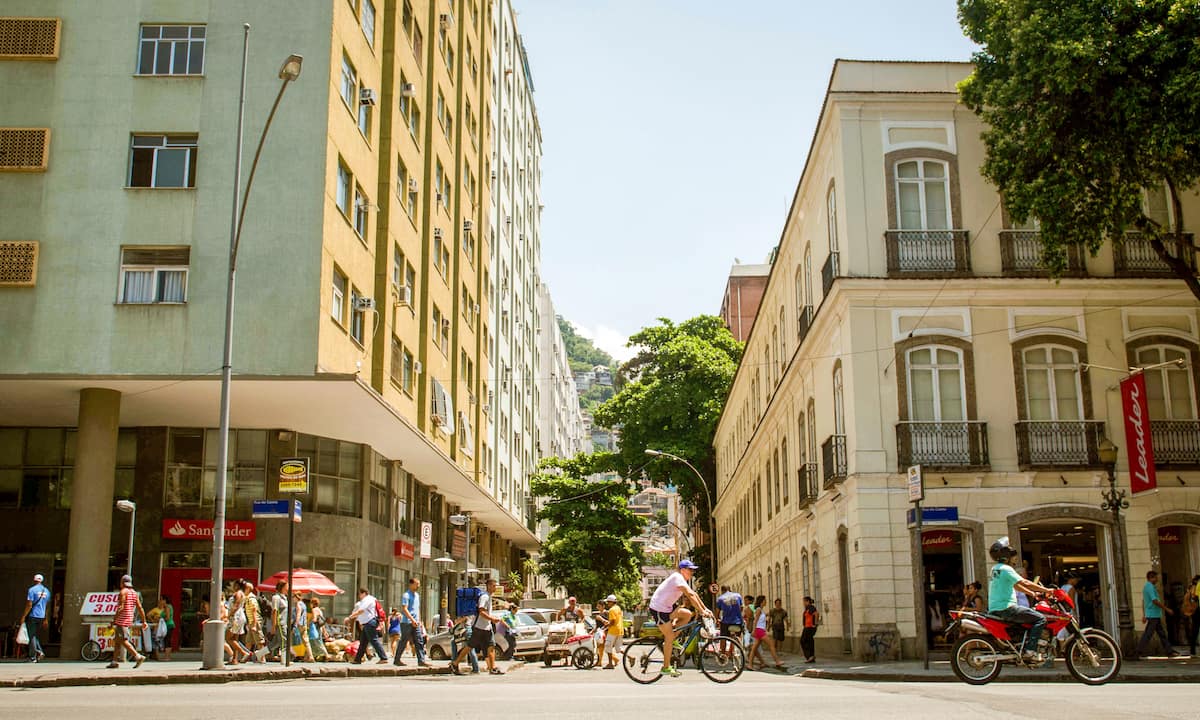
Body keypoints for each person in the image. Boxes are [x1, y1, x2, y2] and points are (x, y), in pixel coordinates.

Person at [987, 537, 1054, 662]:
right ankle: (1030, 651)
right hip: (1007, 608)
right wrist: (1047, 590)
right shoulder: (1007, 569)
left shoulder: (996, 568)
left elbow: (1015, 585)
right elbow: (1024, 582)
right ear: (1006, 555)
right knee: (1041, 619)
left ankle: (1022, 646)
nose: (1015, 558)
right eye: (1012, 555)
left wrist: (1032, 594)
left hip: (997, 608)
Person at [647, 559, 712, 678]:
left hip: (668, 607)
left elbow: (694, 594)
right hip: (659, 609)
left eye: (693, 570)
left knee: (687, 614)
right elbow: (690, 595)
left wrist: (705, 609)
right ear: (682, 570)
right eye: (690, 570)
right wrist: (702, 611)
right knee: (669, 637)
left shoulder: (681, 579)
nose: (692, 573)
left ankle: (673, 638)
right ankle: (666, 667)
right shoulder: (677, 577)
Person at [451, 577, 503, 675]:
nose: (495, 588)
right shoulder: (485, 597)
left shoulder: (489, 596)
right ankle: (455, 663)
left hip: (487, 627)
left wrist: (491, 620)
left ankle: (493, 668)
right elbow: (481, 611)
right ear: (488, 586)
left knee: (491, 646)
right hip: (479, 627)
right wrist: (492, 619)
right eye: (493, 586)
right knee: (470, 647)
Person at [1133, 569, 1179, 659]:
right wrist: (1166, 609)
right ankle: (1137, 652)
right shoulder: (1149, 587)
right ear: (1151, 578)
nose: (1157, 580)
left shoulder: (1148, 587)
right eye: (1156, 578)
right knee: (1148, 634)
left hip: (1154, 614)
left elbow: (1144, 601)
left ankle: (1169, 651)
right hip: (1153, 614)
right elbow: (1154, 600)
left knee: (1161, 634)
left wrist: (1144, 614)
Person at [107, 574, 147, 669]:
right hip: (129, 619)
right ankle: (114, 662)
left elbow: (120, 607)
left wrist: (114, 620)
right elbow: (140, 607)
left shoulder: (123, 592)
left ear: (122, 583)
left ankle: (138, 656)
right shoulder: (134, 593)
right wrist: (144, 621)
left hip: (122, 620)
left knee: (123, 640)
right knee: (117, 641)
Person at [347, 587, 389, 664]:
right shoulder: (368, 599)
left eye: (359, 594)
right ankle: (357, 659)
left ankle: (383, 657)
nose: (359, 596)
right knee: (363, 642)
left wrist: (350, 617)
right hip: (367, 623)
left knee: (374, 640)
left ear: (364, 593)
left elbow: (361, 611)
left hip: (370, 622)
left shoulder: (367, 600)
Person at [395, 577, 431, 667]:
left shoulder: (417, 595)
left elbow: (417, 609)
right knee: (404, 641)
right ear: (411, 584)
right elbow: (404, 609)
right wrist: (412, 619)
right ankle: (397, 659)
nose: (418, 586)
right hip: (407, 622)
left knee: (419, 641)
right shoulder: (406, 595)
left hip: (416, 622)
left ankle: (421, 660)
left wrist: (419, 620)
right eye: (416, 584)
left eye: (419, 584)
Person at [749, 594, 785, 670]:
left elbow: (760, 618)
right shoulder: (758, 609)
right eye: (765, 600)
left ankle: (750, 665)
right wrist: (753, 630)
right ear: (762, 602)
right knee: (771, 644)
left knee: (754, 649)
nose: (766, 602)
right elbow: (755, 621)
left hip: (760, 630)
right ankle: (777, 661)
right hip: (759, 630)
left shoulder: (760, 610)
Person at [19, 573, 48, 663]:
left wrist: (23, 616)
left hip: (32, 615)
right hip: (41, 616)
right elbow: (46, 606)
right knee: (33, 635)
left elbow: (29, 604)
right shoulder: (47, 591)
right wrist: (46, 619)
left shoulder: (32, 590)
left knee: (31, 636)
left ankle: (34, 657)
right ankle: (39, 652)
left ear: (34, 580)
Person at [240, 581, 261, 662]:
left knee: (259, 642)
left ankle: (262, 658)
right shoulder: (247, 598)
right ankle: (245, 656)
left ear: (248, 589)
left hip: (254, 622)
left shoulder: (251, 599)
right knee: (248, 642)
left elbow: (254, 611)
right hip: (251, 623)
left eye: (244, 588)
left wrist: (255, 624)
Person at [603, 594, 623, 669]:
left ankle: (610, 664)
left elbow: (613, 621)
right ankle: (630, 657)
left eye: (608, 602)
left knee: (608, 646)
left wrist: (606, 625)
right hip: (620, 630)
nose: (607, 604)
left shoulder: (612, 610)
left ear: (611, 602)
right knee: (618, 648)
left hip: (613, 631)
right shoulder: (618, 608)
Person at [1184, 574, 1200, 657]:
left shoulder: (1190, 588)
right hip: (1196, 610)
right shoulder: (1194, 587)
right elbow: (1194, 598)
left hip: (1194, 611)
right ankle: (1192, 650)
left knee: (1194, 630)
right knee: (1195, 630)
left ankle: (1192, 650)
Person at [800, 596, 819, 663]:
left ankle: (810, 656)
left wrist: (815, 624)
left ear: (808, 601)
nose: (803, 603)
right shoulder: (807, 609)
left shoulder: (811, 607)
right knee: (806, 641)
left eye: (804, 601)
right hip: (806, 627)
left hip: (810, 627)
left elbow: (816, 614)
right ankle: (810, 657)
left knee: (805, 641)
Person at [308, 596, 328, 661]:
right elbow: (322, 621)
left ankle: (326, 654)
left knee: (316, 641)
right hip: (319, 628)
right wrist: (324, 631)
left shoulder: (314, 610)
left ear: (312, 603)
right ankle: (312, 656)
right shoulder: (319, 610)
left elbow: (314, 619)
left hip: (315, 628)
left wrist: (309, 623)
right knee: (318, 641)